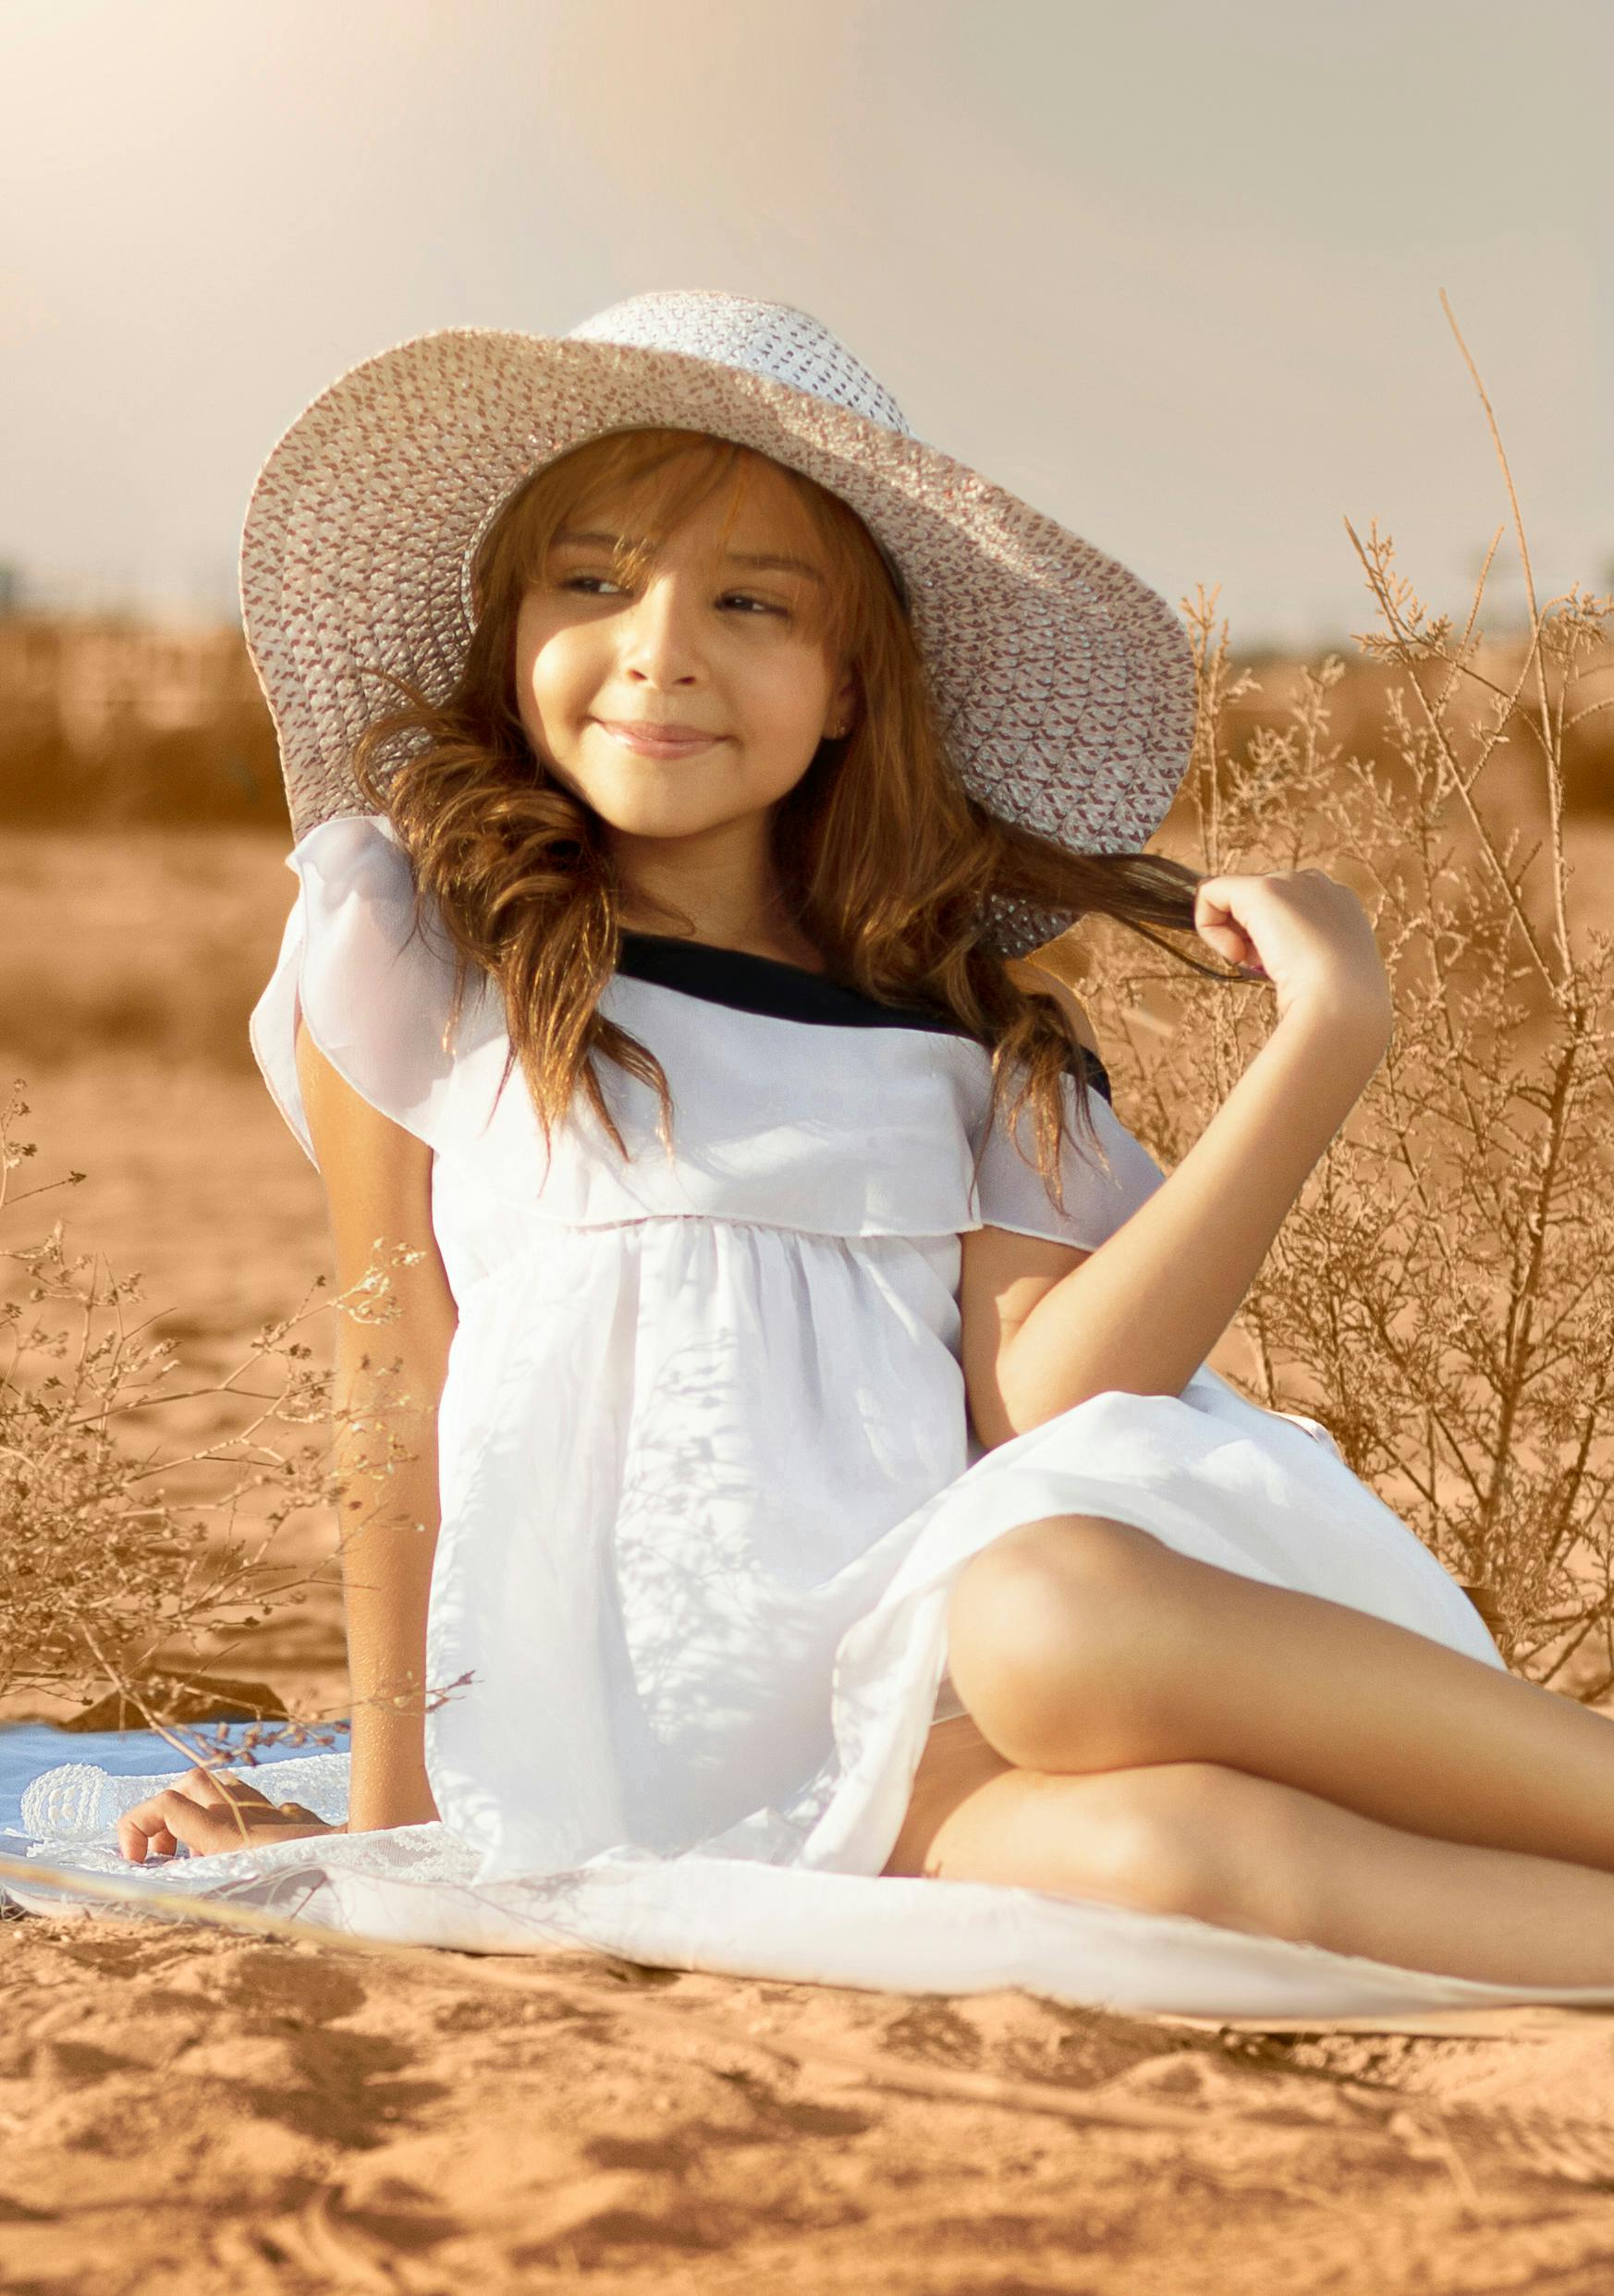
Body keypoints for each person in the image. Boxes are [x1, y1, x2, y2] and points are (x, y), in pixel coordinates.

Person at [18, 291, 1614, 2019]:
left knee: (1048, 1615)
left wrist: (1326, 1040)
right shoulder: (418, 950)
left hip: (927, 1690)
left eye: (751, 602)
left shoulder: (966, 1036)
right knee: (1187, 1863)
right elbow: (389, 1382)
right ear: (509, 630)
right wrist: (395, 1827)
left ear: (851, 682)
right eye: (593, 580)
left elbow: (1054, 1416)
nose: (660, 648)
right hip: (643, 1761)